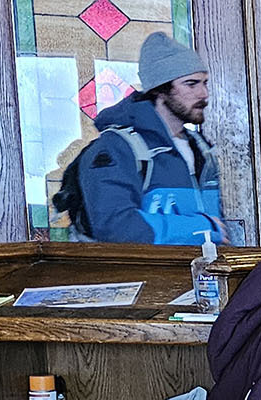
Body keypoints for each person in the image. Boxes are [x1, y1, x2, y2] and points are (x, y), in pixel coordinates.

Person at [70, 32, 226, 245]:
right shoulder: (116, 148)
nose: (203, 93)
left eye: (205, 83)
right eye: (191, 84)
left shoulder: (202, 149)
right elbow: (115, 227)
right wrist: (204, 228)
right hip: (146, 276)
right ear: (161, 90)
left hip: (201, 275)